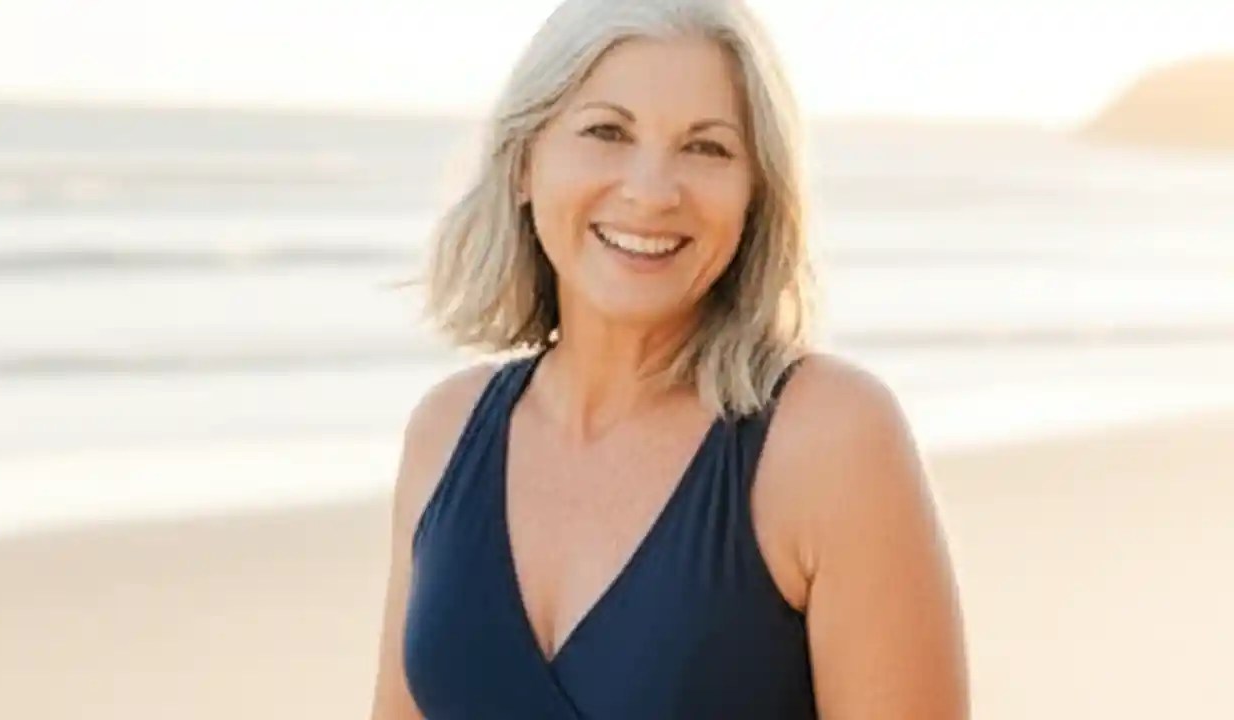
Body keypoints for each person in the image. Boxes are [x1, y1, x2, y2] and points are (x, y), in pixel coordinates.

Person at [371, 0, 969, 717]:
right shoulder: (444, 433)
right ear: (525, 163)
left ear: (756, 195)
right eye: (607, 131)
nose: (651, 192)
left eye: (707, 148)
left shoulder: (830, 439)